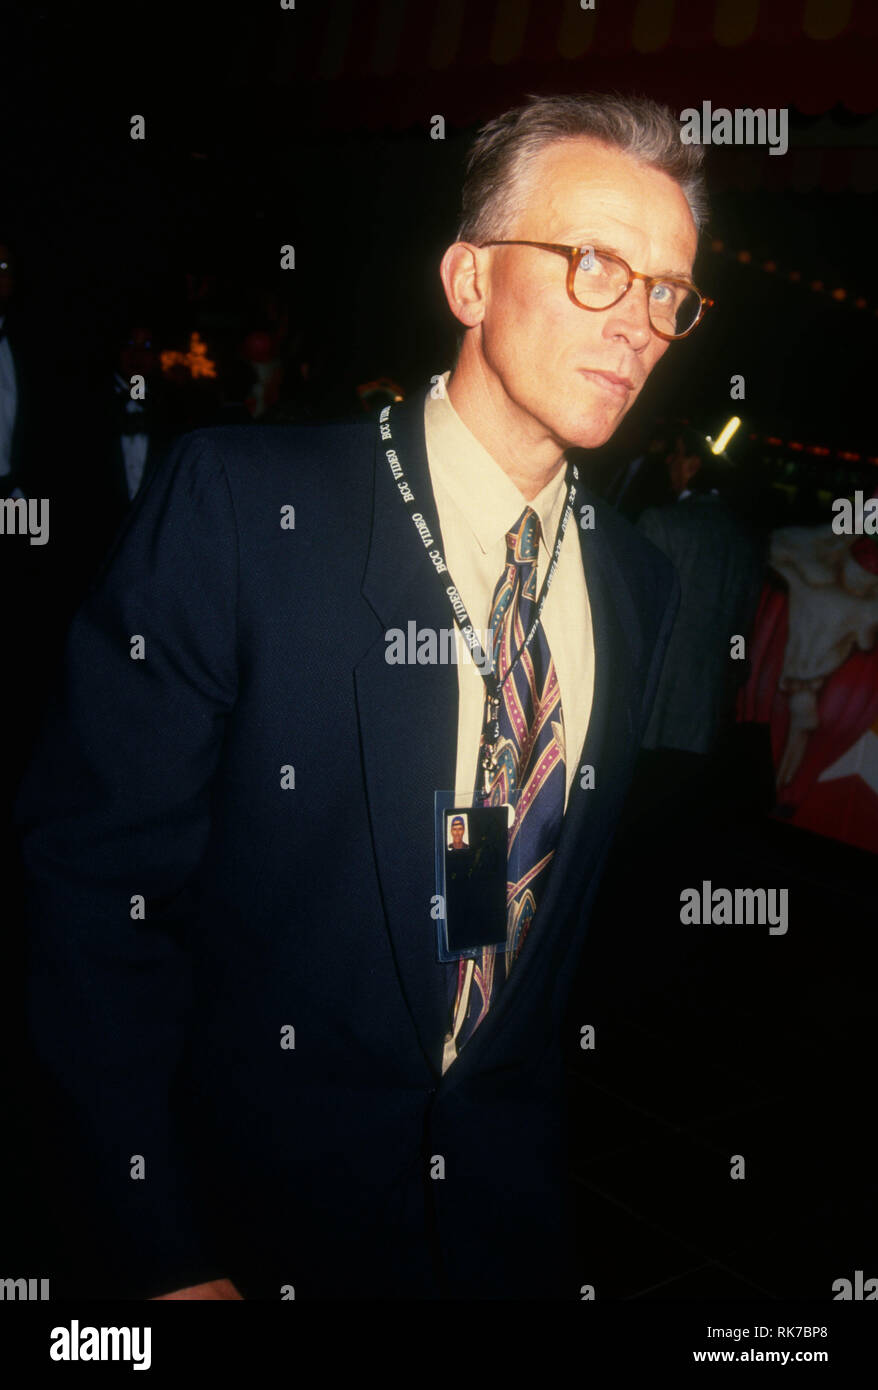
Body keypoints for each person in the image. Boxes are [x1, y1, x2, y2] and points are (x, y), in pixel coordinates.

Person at [15, 92, 711, 1301]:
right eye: (595, 264)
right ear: (468, 280)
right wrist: (160, 1251)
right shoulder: (245, 507)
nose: (639, 325)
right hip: (236, 1218)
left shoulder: (634, 582)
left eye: (667, 291)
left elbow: (531, 959)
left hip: (497, 1234)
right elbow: (89, 899)